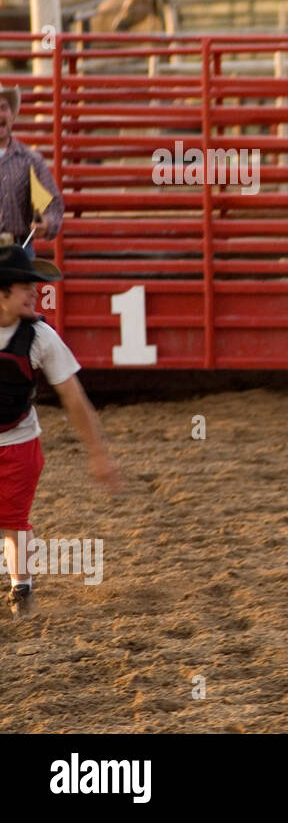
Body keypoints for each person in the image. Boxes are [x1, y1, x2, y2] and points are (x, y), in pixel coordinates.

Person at [0, 243, 120, 617]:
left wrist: (98, 453)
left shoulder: (41, 338)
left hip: (18, 443)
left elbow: (74, 397)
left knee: (11, 520)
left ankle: (21, 590)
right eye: (25, 287)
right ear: (2, 293)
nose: (35, 293)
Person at [0, 83, 63, 245]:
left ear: (11, 115)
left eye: (3, 107)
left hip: (20, 250)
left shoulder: (31, 160)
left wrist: (47, 222)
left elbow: (53, 204)